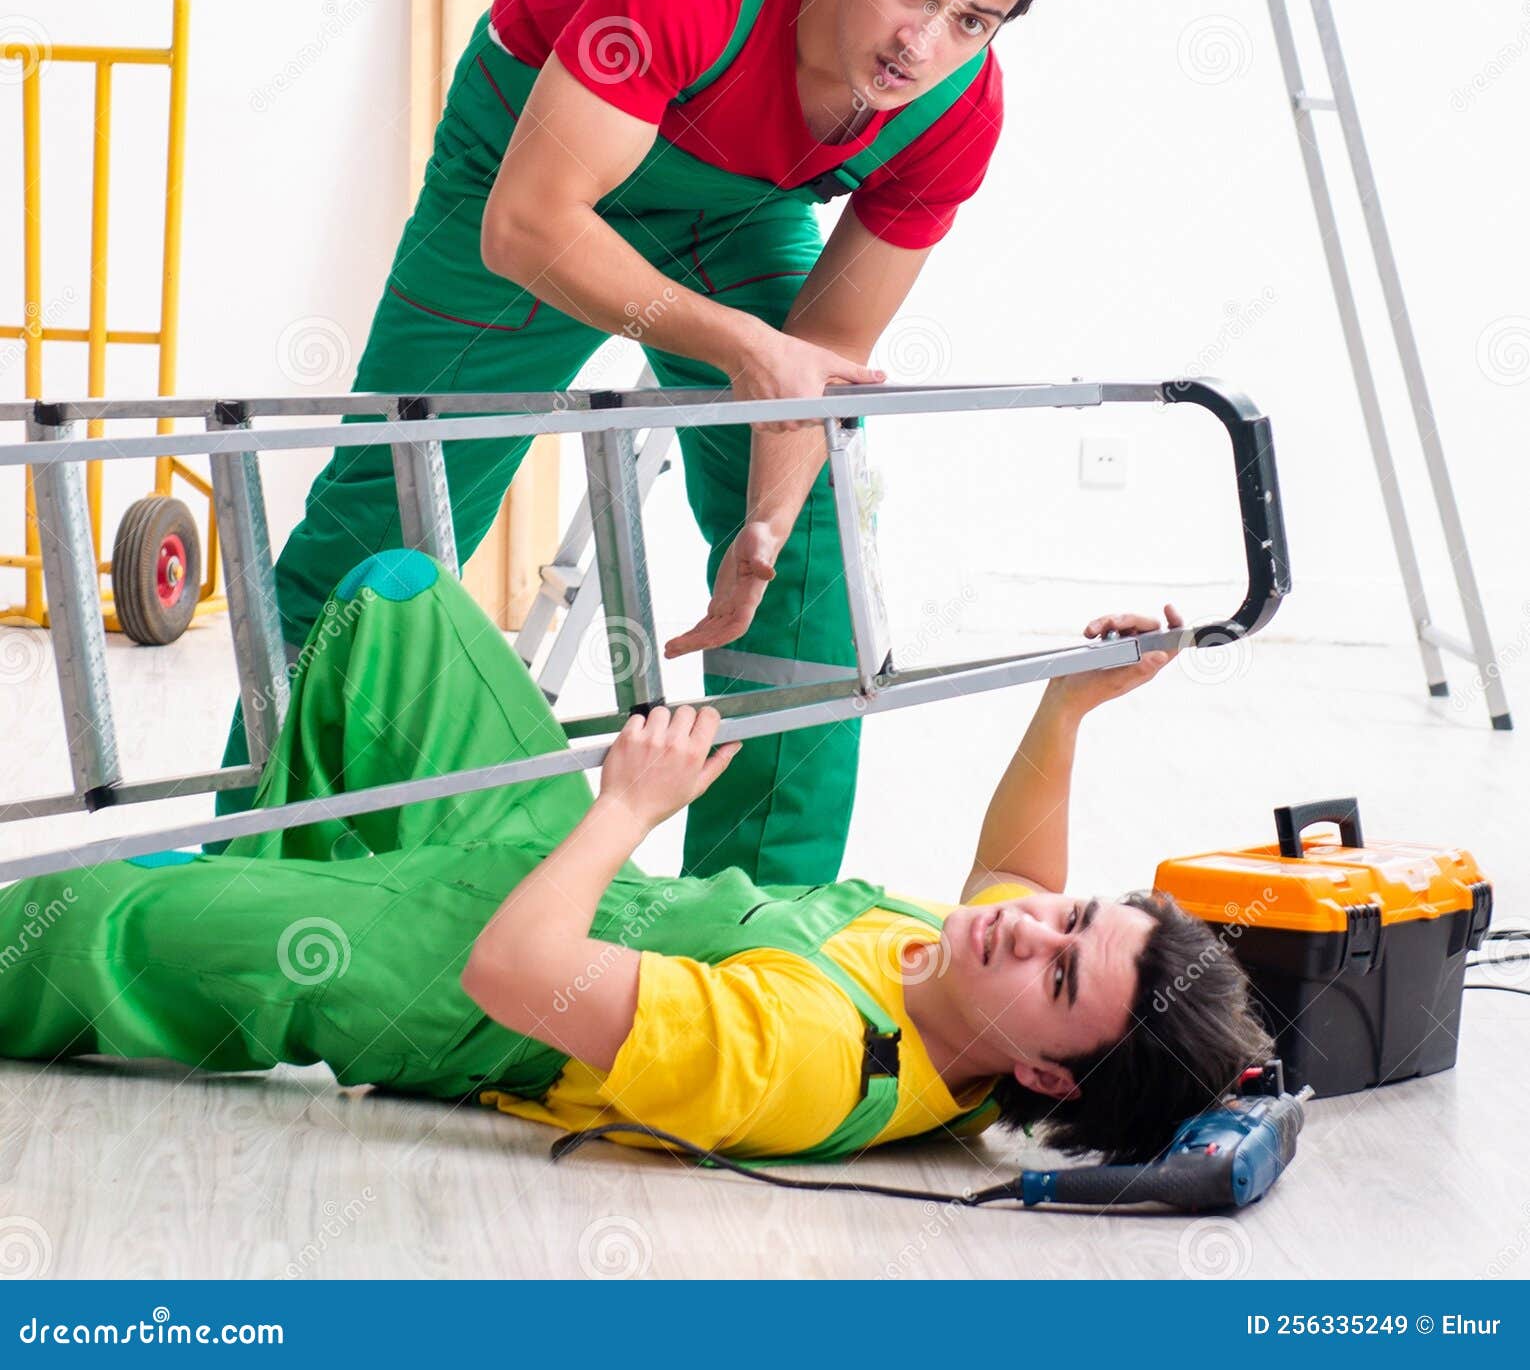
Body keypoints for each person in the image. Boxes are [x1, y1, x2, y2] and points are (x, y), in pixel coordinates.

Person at [213, 0, 1063, 887]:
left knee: (811, 551)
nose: (921, 41)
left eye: (969, 21)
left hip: (738, 215)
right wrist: (734, 340)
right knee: (390, 509)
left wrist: (763, 522)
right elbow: (527, 227)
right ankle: (248, 877)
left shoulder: (956, 112)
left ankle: (754, 928)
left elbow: (824, 354)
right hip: (530, 164)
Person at [0, 551, 1271, 1167]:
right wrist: (1073, 705)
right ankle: (265, 892)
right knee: (398, 604)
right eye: (1076, 914)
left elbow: (517, 972)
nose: (1029, 928)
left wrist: (630, 806)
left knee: (73, 920)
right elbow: (1010, 875)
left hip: (454, 977)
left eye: (1059, 973)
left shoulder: (810, 1059)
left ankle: (246, 918)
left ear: (1045, 1065)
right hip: (538, 855)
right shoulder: (963, 971)